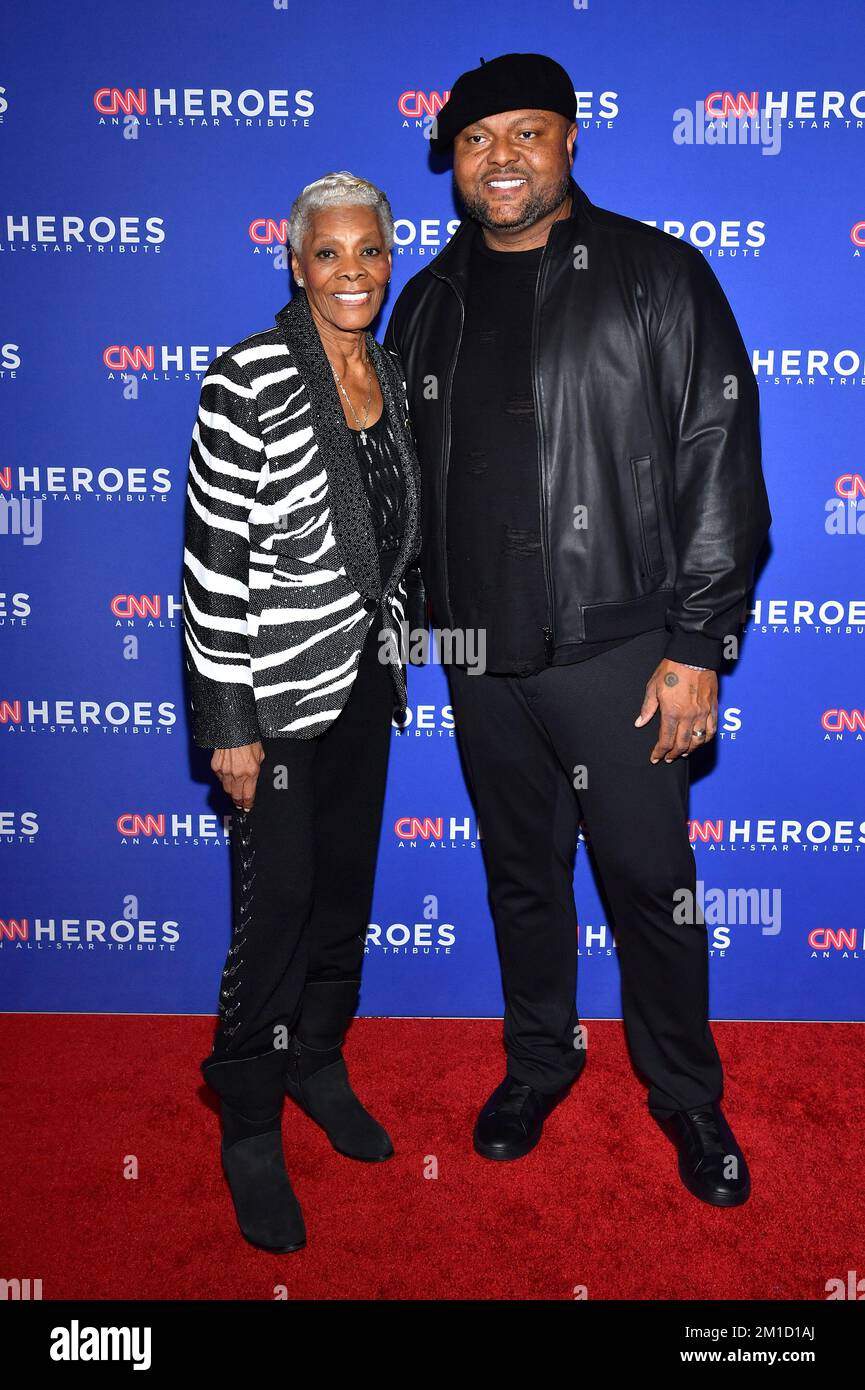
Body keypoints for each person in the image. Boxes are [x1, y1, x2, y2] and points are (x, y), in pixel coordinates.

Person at [385, 53, 771, 1207]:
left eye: (524, 132)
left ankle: (685, 1093)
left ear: (568, 141)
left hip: (621, 652)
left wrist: (698, 642)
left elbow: (719, 463)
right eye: (474, 139)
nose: (498, 156)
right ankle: (539, 1061)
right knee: (521, 878)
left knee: (652, 882)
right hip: (478, 658)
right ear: (450, 159)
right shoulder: (429, 298)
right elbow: (400, 484)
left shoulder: (654, 274)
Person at [182, 172, 423, 1252]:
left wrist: (400, 640)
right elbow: (211, 556)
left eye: (368, 250)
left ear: (389, 254)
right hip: (273, 698)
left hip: (364, 685)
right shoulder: (248, 375)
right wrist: (226, 718)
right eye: (328, 253)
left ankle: (318, 1063)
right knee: (271, 913)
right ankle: (246, 1124)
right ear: (295, 263)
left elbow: (396, 530)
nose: (351, 271)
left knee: (342, 894)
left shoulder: (390, 369)